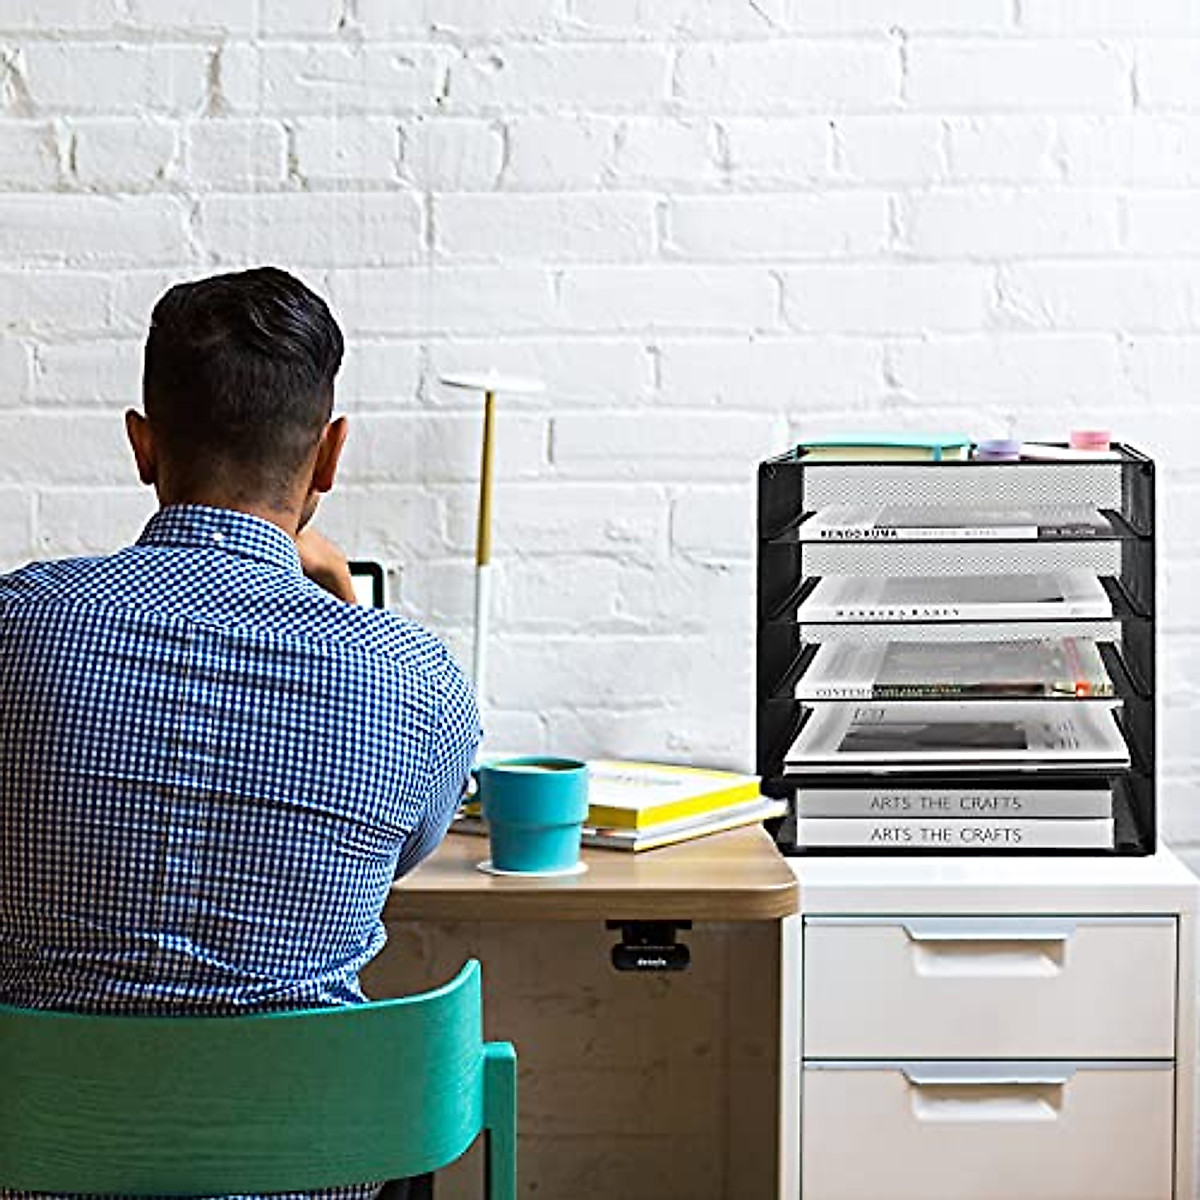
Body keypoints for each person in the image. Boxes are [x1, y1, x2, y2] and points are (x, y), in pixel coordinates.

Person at [0, 267, 480, 1200]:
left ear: (143, 444)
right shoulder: (415, 682)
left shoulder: (17, 625)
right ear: (330, 457)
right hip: (305, 1174)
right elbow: (404, 856)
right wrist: (348, 612)